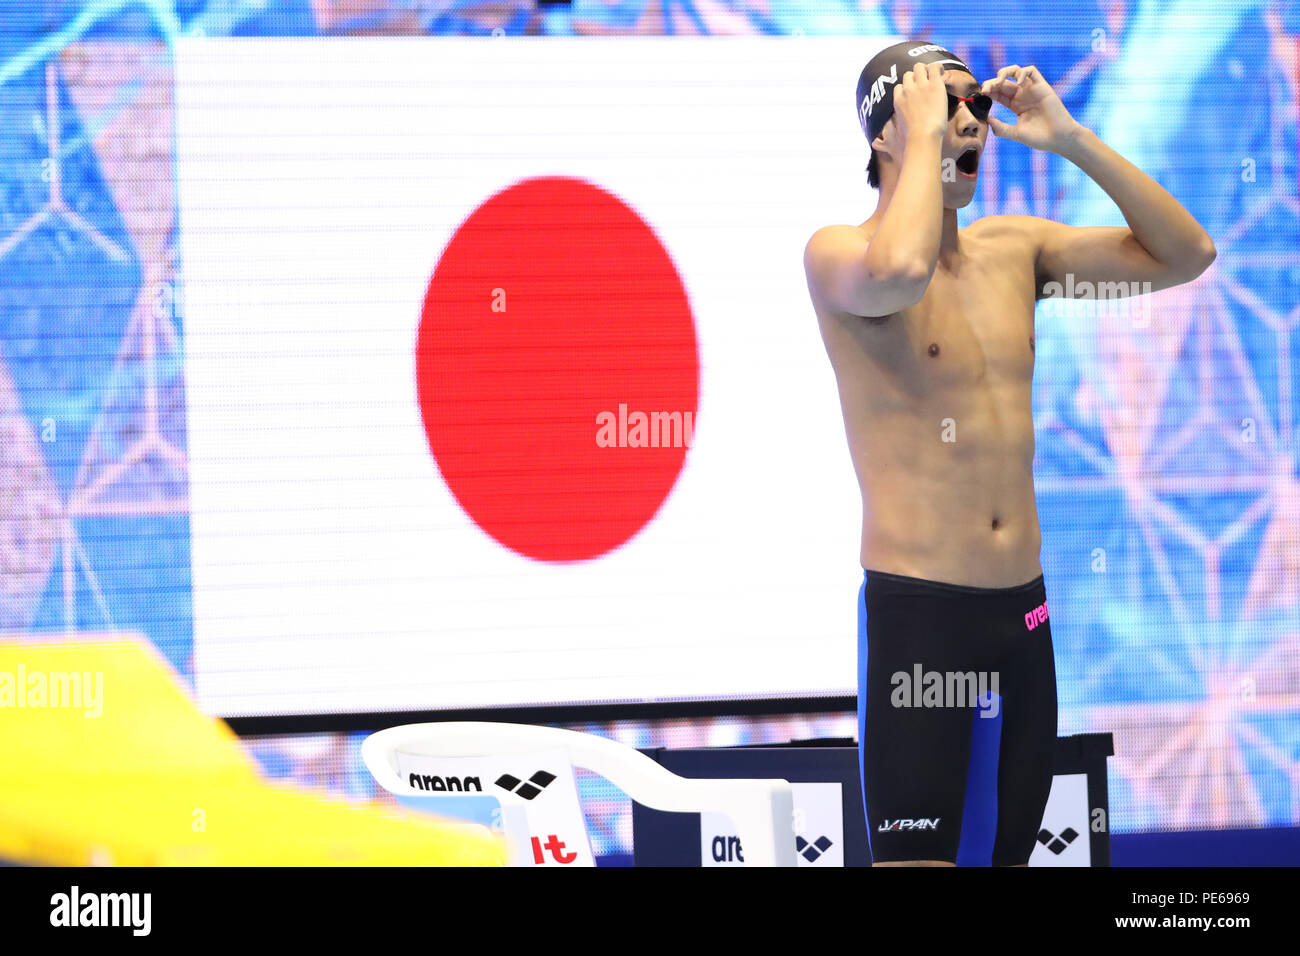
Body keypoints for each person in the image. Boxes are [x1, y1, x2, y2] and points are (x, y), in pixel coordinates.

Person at [802, 40, 1215, 866]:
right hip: (921, 624)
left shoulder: (1015, 252)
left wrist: (1070, 139)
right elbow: (904, 267)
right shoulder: (838, 257)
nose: (969, 122)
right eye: (944, 104)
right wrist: (927, 140)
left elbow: (1186, 255)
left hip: (1022, 620)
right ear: (885, 134)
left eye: (975, 108)